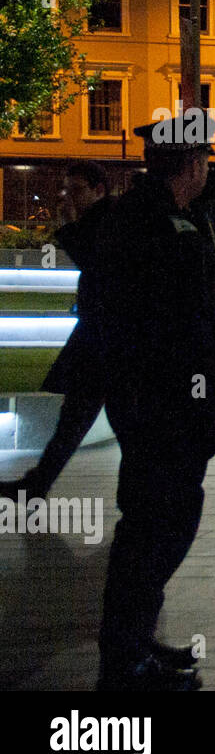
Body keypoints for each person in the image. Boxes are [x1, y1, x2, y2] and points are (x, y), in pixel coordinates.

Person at [88, 114, 215, 691]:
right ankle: (124, 664)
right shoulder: (170, 228)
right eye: (203, 161)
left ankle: (133, 645)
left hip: (141, 397)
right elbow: (192, 331)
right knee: (160, 528)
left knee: (149, 525)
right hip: (168, 404)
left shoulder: (136, 215)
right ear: (193, 165)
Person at [0, 161, 113, 501]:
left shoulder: (108, 223)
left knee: (79, 418)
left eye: (77, 190)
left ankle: (37, 485)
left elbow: (92, 261)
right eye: (67, 191)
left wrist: (67, 225)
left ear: (99, 190)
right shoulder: (102, 219)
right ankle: (37, 484)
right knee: (76, 419)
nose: (70, 198)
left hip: (107, 341)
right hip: (103, 340)